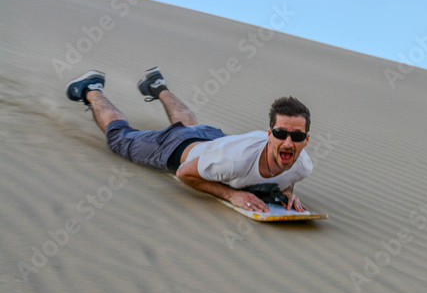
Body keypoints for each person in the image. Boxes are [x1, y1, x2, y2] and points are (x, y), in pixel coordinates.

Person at [66, 67, 313, 212]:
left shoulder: (302, 166)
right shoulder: (234, 161)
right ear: (270, 134)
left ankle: (157, 85)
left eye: (297, 136)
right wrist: (231, 195)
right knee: (120, 139)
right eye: (281, 134)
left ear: (306, 140)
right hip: (176, 148)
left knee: (190, 127)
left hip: (212, 139)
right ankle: (91, 89)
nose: (289, 142)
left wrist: (287, 191)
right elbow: (185, 173)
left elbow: (288, 174)